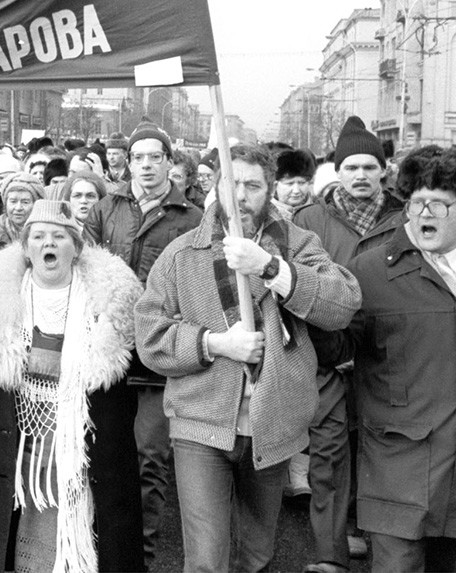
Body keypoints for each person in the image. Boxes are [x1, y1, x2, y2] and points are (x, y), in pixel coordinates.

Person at [135, 143, 362, 572]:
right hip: (200, 424)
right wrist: (212, 344)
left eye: (253, 186)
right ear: (215, 187)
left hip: (273, 422)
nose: (241, 196)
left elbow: (343, 303)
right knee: (206, 560)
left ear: (269, 190)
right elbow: (149, 336)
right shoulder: (183, 253)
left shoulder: (296, 243)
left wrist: (272, 268)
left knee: (257, 555)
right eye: (232, 184)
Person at [0, 200, 143, 572]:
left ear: (76, 248)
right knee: (6, 538)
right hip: (16, 439)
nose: (49, 243)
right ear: (26, 248)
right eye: (39, 236)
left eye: (59, 236)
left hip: (81, 446)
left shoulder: (109, 305)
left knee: (92, 538)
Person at [82, 121, 202, 568]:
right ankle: (100, 550)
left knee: (150, 459)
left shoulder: (190, 217)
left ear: (170, 163)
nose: (147, 165)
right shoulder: (106, 208)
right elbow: (86, 267)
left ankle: (143, 557)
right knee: (103, 456)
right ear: (127, 163)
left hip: (158, 362)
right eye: (138, 157)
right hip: (108, 356)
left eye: (156, 156)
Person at [294, 116, 404, 573]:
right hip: (328, 355)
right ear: (337, 171)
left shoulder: (404, 215)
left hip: (390, 354)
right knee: (329, 453)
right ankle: (329, 554)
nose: (360, 175)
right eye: (351, 166)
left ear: (384, 171)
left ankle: (387, 542)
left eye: (369, 167)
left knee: (384, 449)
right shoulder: (310, 220)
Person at [347, 147, 456, 571]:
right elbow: (335, 348)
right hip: (400, 466)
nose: (424, 214)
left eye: (440, 205)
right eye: (414, 203)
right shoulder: (369, 271)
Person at [0, 172, 44, 256]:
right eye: (13, 201)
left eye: (25, 202)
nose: (18, 208)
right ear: (5, 203)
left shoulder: (45, 230)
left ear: (35, 203)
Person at [275, 148, 316, 214]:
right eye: (290, 183)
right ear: (275, 185)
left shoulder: (319, 212)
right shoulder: (263, 214)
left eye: (301, 183)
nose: (296, 191)